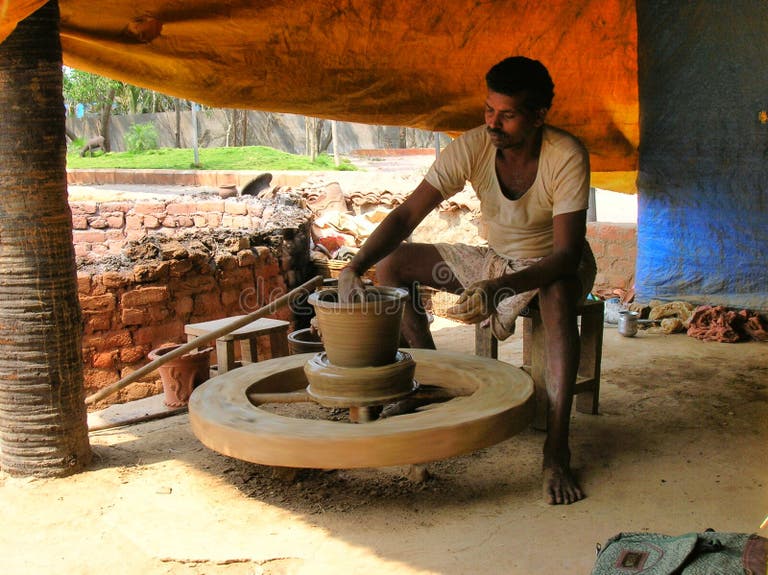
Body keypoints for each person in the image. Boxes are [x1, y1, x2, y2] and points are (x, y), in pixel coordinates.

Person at [337, 56, 597, 505]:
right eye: (488, 110)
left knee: (556, 294)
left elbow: (566, 256)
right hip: (495, 261)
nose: (493, 123)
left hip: (554, 265)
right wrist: (353, 267)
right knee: (393, 265)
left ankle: (556, 447)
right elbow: (406, 215)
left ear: (539, 115)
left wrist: (501, 289)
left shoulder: (566, 155)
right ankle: (429, 383)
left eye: (507, 115)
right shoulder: (473, 146)